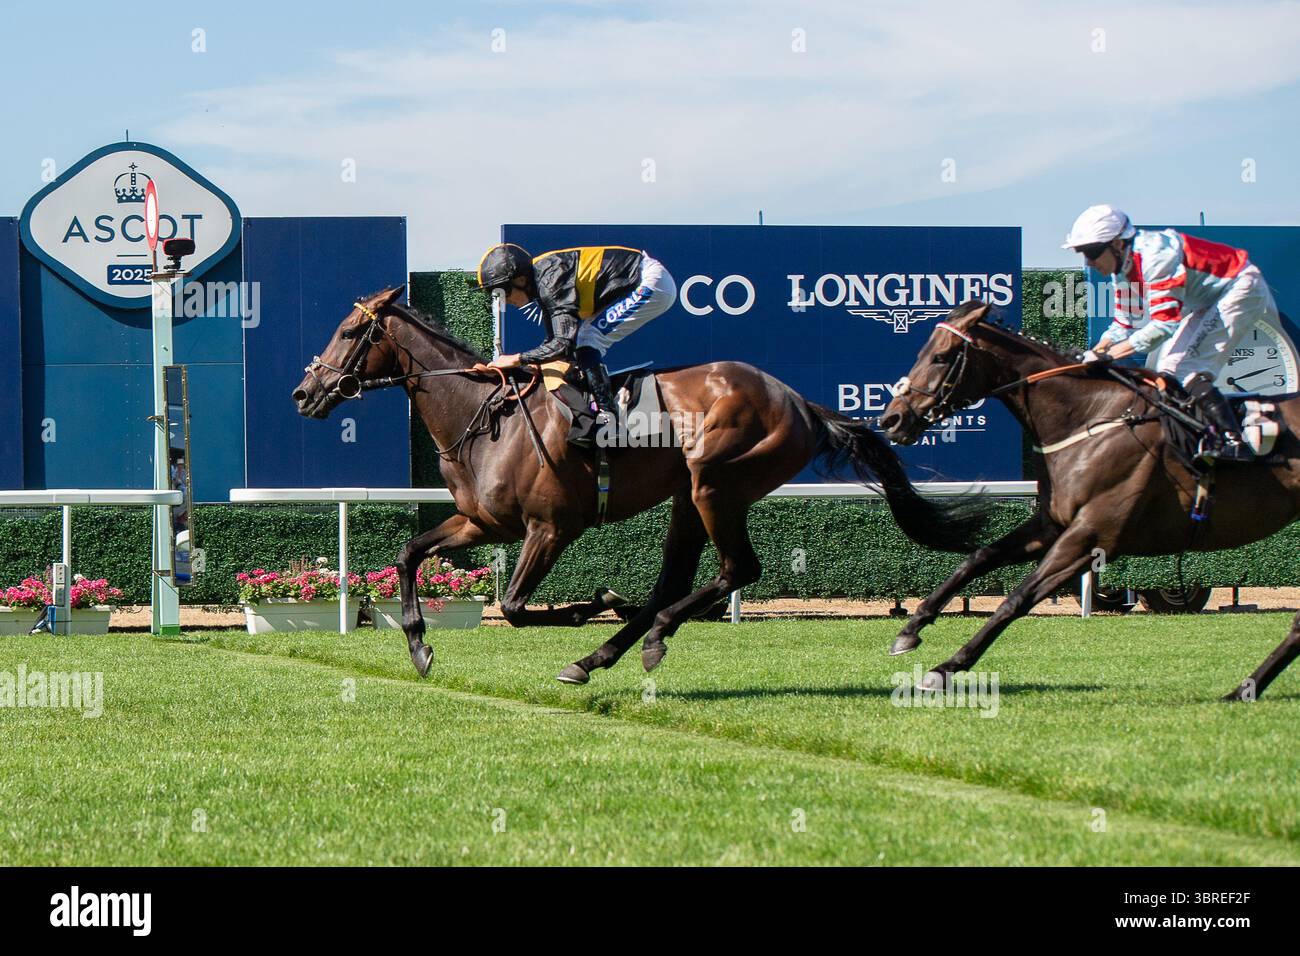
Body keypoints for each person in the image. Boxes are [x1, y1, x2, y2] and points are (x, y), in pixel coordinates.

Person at [1063, 204, 1281, 460]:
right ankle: (1205, 435)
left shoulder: (1156, 258)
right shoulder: (1122, 268)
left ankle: (1233, 442)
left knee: (1190, 370)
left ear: (1118, 244)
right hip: (1209, 299)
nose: (1088, 261)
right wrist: (1097, 351)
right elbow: (1124, 323)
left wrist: (1110, 355)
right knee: (1168, 369)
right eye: (1082, 252)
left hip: (1241, 287)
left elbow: (1164, 325)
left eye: (1092, 251)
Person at [476, 243, 677, 435]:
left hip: (650, 282)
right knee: (582, 342)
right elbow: (553, 342)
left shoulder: (551, 281)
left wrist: (516, 358)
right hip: (636, 280)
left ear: (520, 280)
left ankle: (609, 419)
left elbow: (562, 345)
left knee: (588, 340)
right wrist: (516, 364)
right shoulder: (542, 282)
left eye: (502, 291)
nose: (505, 300)